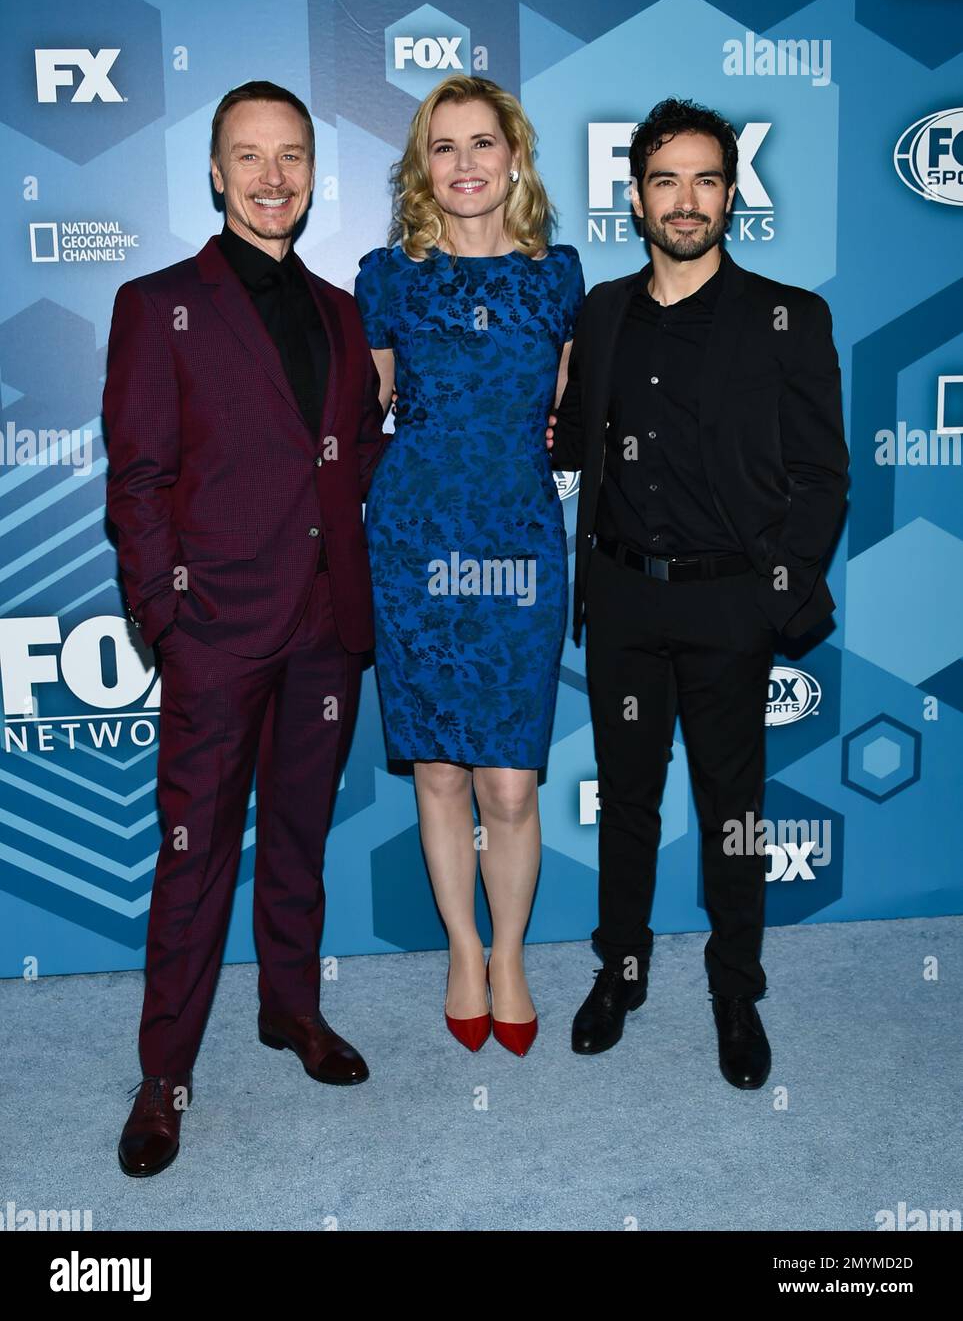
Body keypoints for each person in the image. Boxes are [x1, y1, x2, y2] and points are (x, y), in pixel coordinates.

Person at [103, 81, 389, 1176]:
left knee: (301, 842)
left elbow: (356, 451)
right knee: (193, 860)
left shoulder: (341, 310)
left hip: (325, 626)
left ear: (314, 173)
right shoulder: (157, 303)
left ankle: (290, 1011)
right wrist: (165, 616)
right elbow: (137, 479)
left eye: (293, 157)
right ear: (216, 174)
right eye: (250, 157)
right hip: (214, 630)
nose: (274, 177)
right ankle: (165, 1074)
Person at [547, 97, 848, 1089]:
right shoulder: (600, 313)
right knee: (627, 800)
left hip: (732, 608)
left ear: (732, 194)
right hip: (627, 600)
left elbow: (823, 476)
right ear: (636, 198)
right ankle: (621, 974)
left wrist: (777, 594)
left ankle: (735, 991)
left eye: (706, 179)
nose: (686, 200)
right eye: (665, 180)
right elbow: (570, 439)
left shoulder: (788, 318)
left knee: (735, 811)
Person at [354, 75, 584, 1057]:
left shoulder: (557, 276)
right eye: (442, 147)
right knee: (440, 769)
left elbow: (571, 413)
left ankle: (513, 955)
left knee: (511, 785)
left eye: (482, 143)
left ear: (515, 157)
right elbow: (368, 415)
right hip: (415, 542)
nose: (464, 165)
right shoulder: (388, 276)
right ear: (421, 166)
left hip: (519, 545)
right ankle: (461, 949)